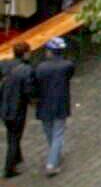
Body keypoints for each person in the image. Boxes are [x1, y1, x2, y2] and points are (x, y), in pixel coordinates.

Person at [32, 37, 73, 176]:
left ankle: (53, 158)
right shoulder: (67, 66)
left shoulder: (40, 67)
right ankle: (52, 160)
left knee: (49, 133)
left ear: (50, 52)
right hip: (61, 104)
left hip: (44, 104)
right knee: (58, 133)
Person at [0, 43, 32, 178]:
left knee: (11, 134)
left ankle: (17, 157)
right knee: (14, 138)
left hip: (4, 106)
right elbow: (28, 90)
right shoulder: (26, 70)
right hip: (17, 109)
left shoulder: (4, 64)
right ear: (25, 53)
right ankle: (9, 168)